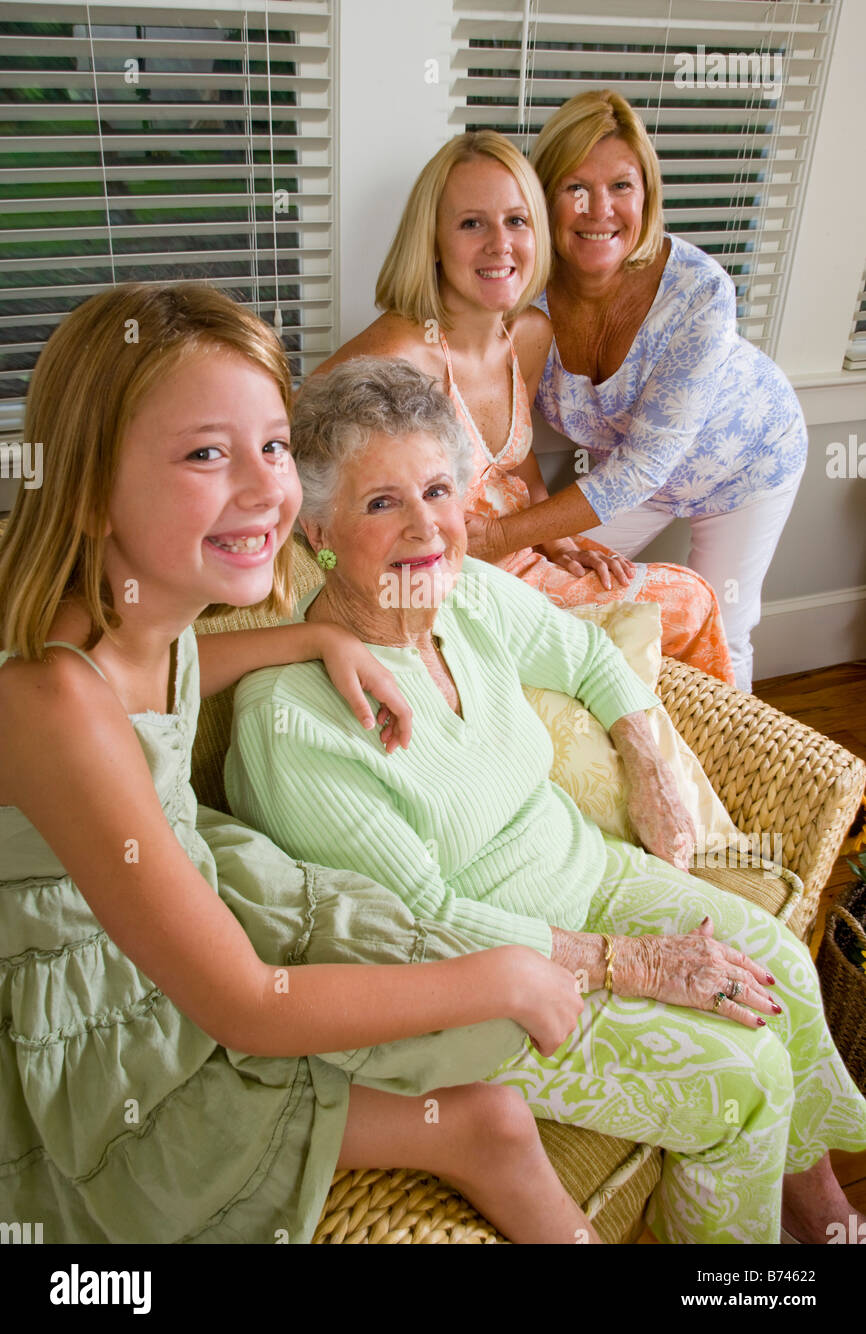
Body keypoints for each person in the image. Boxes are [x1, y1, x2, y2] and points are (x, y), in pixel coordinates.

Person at [0, 281, 605, 1246]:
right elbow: (243, 1005)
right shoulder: (51, 702)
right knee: (491, 1112)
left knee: (457, 1044)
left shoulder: (138, 618)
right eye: (205, 453)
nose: (266, 488)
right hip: (112, 1025)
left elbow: (178, 676)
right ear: (84, 487)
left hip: (171, 924)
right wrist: (507, 973)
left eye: (274, 446)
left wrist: (311, 643)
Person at [226, 355, 866, 1245]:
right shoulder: (291, 723)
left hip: (589, 875)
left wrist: (648, 766)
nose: (428, 529)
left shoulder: (467, 597)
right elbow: (422, 928)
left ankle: (823, 1220)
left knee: (788, 972)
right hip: (476, 992)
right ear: (317, 531)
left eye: (440, 491)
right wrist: (631, 964)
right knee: (743, 1072)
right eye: (383, 504)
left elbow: (593, 660)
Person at [318, 129, 735, 685]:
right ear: (432, 241)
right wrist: (337, 573)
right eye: (472, 224)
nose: (500, 245)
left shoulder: (529, 333)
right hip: (461, 588)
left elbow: (515, 461)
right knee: (689, 600)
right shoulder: (398, 355)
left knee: (691, 599)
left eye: (516, 221)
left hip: (520, 556)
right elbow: (298, 462)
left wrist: (556, 540)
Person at [487, 89, 807, 692]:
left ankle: (732, 776)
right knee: (565, 587)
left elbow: (643, 465)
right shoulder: (520, 288)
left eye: (621, 186)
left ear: (647, 194)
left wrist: (498, 534)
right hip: (636, 479)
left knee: (726, 628)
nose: (598, 209)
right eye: (575, 186)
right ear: (544, 195)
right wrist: (546, 535)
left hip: (750, 464)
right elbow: (511, 430)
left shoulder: (701, 291)